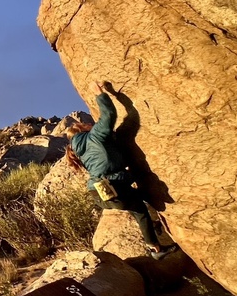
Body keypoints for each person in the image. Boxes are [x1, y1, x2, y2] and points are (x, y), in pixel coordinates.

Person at [65, 82, 176, 260]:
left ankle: (155, 241)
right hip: (113, 186)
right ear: (82, 129)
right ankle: (155, 238)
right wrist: (101, 94)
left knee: (138, 208)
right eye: (85, 124)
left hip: (99, 193)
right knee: (141, 201)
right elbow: (109, 114)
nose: (89, 123)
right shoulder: (95, 136)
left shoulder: (80, 151)